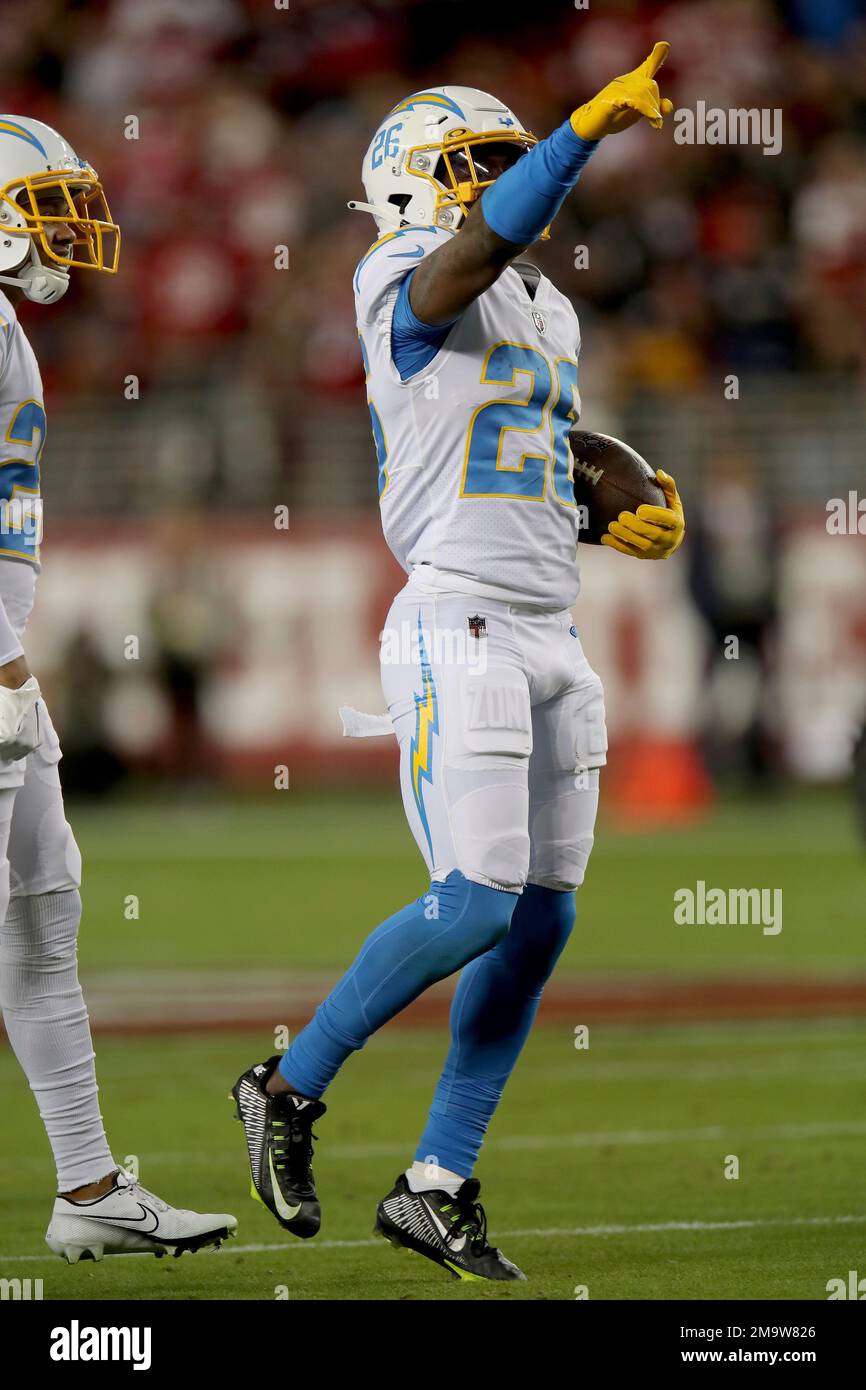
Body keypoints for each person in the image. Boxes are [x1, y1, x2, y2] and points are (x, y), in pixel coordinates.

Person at [233, 47, 685, 1282]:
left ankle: (434, 1182)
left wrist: (613, 498)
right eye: (471, 164)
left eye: (502, 162)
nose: (491, 183)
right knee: (476, 899)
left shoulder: (547, 308)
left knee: (540, 921)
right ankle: (286, 1085)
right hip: (458, 620)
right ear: (408, 181)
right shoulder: (400, 270)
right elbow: (470, 253)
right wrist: (576, 137)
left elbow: (533, 442)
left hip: (550, 629)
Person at [0, 115, 236, 1262]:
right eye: (46, 206)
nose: (69, 231)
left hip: (6, 679)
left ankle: (90, 1187)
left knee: (44, 919)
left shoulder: (5, 324)